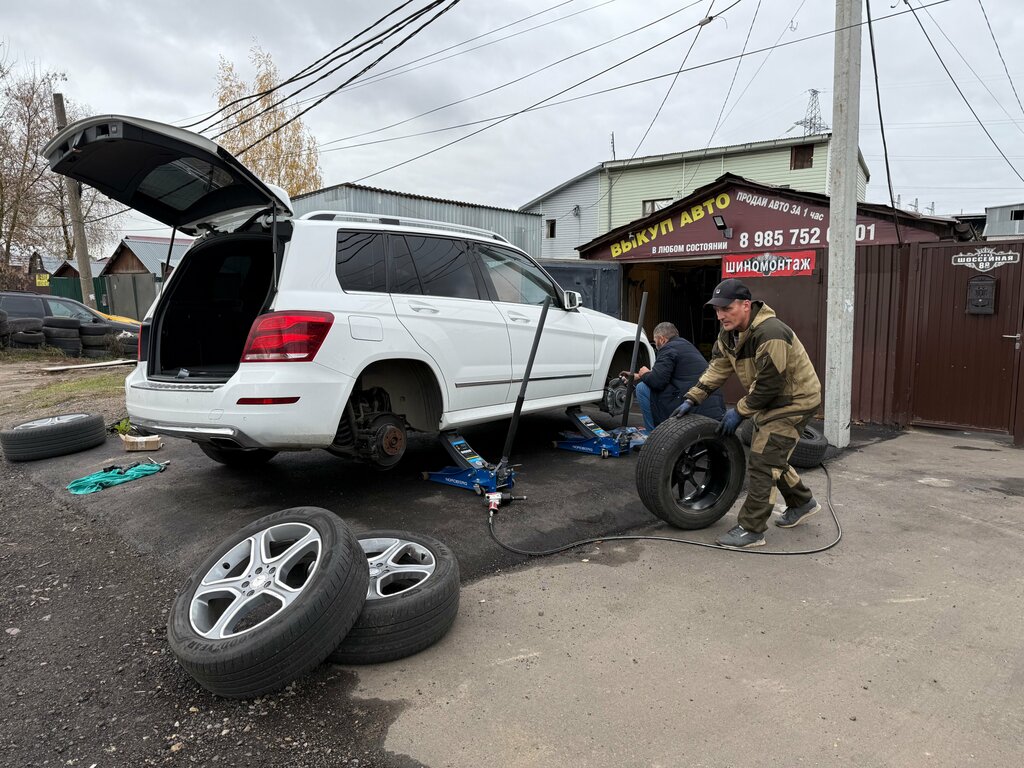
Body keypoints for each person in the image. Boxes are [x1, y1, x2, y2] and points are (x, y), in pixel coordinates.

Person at [673, 278, 822, 549]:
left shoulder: (770, 332)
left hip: (794, 401)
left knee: (764, 460)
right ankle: (802, 502)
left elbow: (770, 384)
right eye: (717, 310)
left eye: (726, 309)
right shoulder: (728, 336)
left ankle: (752, 530)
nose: (720, 316)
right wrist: (693, 397)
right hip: (771, 401)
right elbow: (717, 368)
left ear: (745, 305)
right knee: (771, 452)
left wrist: (739, 412)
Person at [622, 322, 724, 432]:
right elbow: (672, 373)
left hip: (692, 404)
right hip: (713, 408)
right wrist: (639, 375)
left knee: (642, 388)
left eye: (655, 341)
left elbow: (657, 382)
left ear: (662, 339)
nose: (655, 345)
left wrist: (645, 374)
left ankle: (652, 433)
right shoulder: (685, 345)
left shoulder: (668, 349)